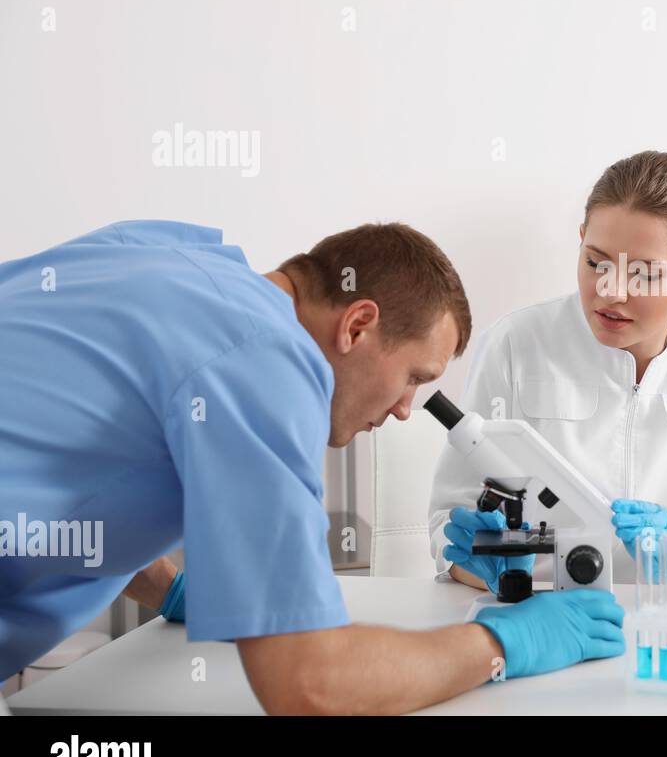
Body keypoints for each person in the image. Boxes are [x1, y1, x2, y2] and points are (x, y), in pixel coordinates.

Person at [0, 220, 623, 714]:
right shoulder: (267, 364)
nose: (406, 410)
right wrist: (504, 645)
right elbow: (311, 687)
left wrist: (173, 589)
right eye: (413, 377)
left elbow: (85, 460)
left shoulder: (164, 250)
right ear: (358, 324)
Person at [430, 151, 667, 591]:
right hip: (535, 610)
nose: (610, 291)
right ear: (581, 239)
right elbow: (450, 519)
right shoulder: (515, 345)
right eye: (596, 263)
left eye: (643, 274)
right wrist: (492, 565)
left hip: (663, 622)